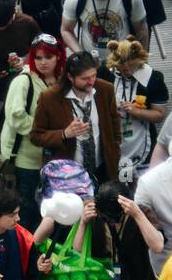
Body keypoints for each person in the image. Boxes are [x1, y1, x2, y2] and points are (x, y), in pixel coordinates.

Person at [3, 35, 67, 230]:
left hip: (55, 159)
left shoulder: (63, 79)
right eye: (38, 58)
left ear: (58, 57)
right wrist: (48, 130)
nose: (43, 62)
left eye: (48, 57)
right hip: (26, 160)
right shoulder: (24, 80)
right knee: (28, 211)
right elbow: (16, 117)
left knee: (52, 211)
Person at [31, 50, 121, 182]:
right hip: (67, 175)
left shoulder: (105, 89)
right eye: (85, 78)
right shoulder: (49, 98)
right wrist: (64, 134)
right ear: (70, 77)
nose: (91, 82)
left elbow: (114, 122)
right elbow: (35, 136)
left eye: (94, 75)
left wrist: (115, 149)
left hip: (103, 169)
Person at [105, 37, 168, 180]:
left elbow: (159, 115)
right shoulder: (107, 73)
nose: (124, 73)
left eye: (128, 69)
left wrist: (138, 112)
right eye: (120, 70)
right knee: (119, 186)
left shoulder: (153, 79)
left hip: (142, 142)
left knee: (142, 185)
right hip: (114, 141)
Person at [0, 0, 40, 134]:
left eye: (6, 25)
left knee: (24, 127)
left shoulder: (29, 23)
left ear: (14, 13)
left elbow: (40, 50)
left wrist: (25, 61)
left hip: (24, 85)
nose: (1, 29)